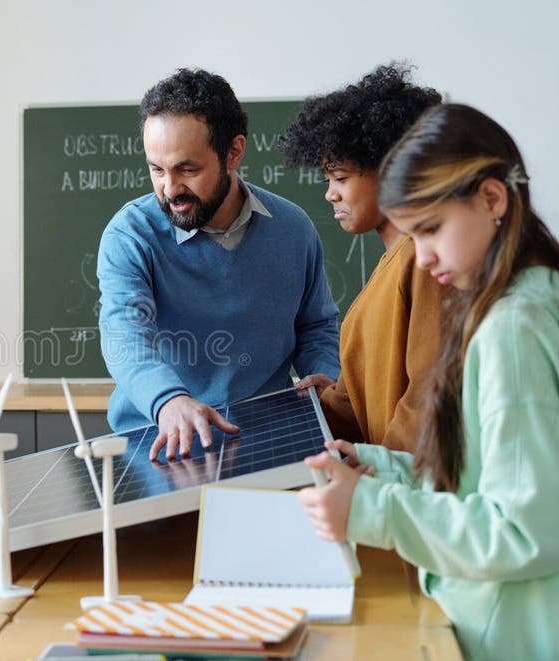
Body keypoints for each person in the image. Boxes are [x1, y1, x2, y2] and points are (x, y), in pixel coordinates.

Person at [298, 104, 559, 659]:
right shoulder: (535, 294)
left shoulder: (512, 327)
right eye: (412, 237)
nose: (422, 258)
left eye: (432, 229)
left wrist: (371, 509)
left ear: (492, 199)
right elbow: (489, 477)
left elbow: (522, 531)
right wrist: (383, 467)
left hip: (508, 636)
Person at [97, 68, 340, 460]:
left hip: (270, 438)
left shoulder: (294, 229)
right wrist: (168, 400)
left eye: (187, 169)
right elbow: (124, 334)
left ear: (234, 152)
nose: (170, 189)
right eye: (156, 169)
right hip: (156, 441)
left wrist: (326, 371)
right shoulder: (130, 235)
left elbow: (315, 326)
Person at [280, 63, 443, 451]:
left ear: (392, 170)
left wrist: (379, 472)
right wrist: (331, 400)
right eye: (327, 180)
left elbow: (428, 394)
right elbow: (365, 394)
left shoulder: (423, 261)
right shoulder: (392, 261)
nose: (330, 194)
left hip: (405, 479)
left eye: (340, 178)